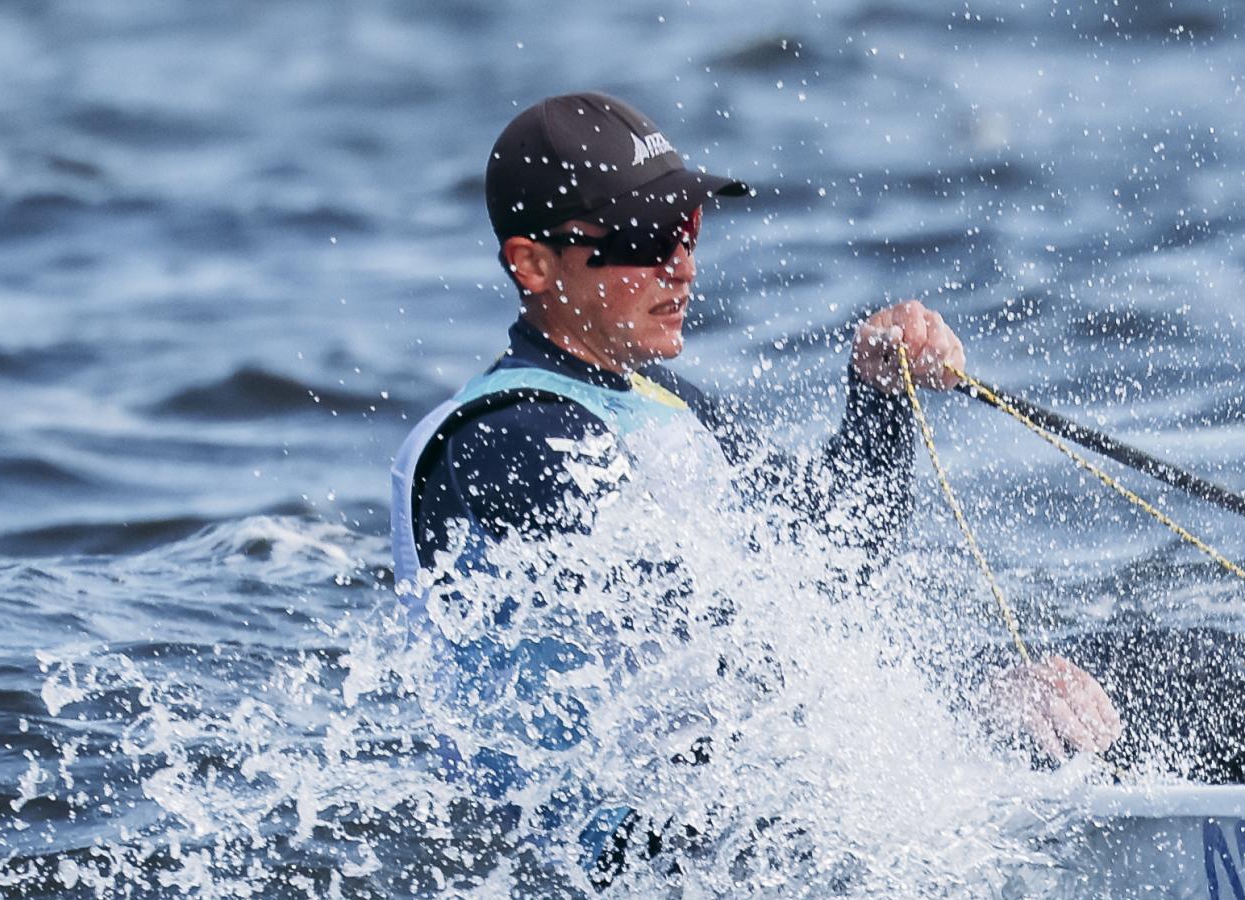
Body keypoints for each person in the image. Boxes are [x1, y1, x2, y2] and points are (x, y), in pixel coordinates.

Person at [389, 92, 1122, 859]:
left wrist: (876, 393)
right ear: (532, 264)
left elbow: (831, 554)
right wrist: (967, 712)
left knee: (1179, 670)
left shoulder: (661, 402)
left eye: (688, 228)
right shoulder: (508, 438)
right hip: (624, 856)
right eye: (644, 237)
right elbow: (712, 644)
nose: (681, 265)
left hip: (735, 794)